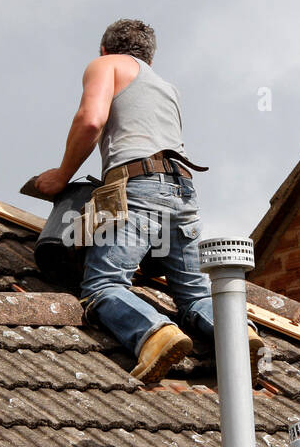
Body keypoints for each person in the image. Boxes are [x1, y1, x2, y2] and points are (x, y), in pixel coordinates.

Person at [33, 19, 261, 385]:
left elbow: (91, 121)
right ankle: (238, 336)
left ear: (105, 50)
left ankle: (155, 334)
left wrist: (61, 175)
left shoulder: (106, 65)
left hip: (139, 187)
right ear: (149, 58)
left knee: (103, 285)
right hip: (183, 190)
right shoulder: (167, 88)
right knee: (193, 295)